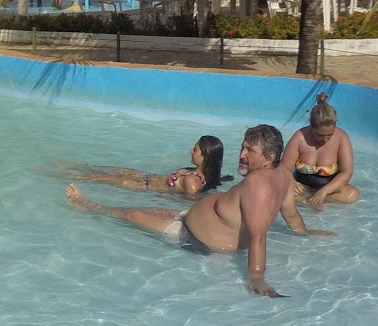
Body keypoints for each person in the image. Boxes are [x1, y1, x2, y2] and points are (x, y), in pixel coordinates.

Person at [65, 124, 332, 297]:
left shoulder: (257, 183)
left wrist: (257, 279)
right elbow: (291, 215)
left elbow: (258, 234)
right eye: (242, 146)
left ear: (269, 157)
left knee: (132, 214)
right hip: (189, 220)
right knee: (143, 208)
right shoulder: (283, 175)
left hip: (192, 237)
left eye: (250, 150)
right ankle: (96, 206)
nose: (241, 154)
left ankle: (88, 207)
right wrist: (306, 233)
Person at [46, 136, 229, 199]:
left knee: (98, 177)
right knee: (107, 168)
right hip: (147, 177)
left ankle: (56, 174)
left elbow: (185, 203)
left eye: (195, 149)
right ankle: (71, 165)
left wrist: (160, 194)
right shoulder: (192, 172)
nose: (191, 150)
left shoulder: (192, 183)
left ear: (205, 157)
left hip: (144, 186)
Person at [285, 92, 360, 205]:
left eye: (329, 135)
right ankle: (309, 201)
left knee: (352, 194)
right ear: (311, 126)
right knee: (275, 184)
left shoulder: (341, 137)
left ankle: (308, 201)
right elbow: (283, 169)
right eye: (320, 135)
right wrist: (292, 182)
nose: (325, 140)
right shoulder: (300, 137)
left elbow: (346, 172)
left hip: (328, 189)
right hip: (300, 188)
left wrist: (324, 192)